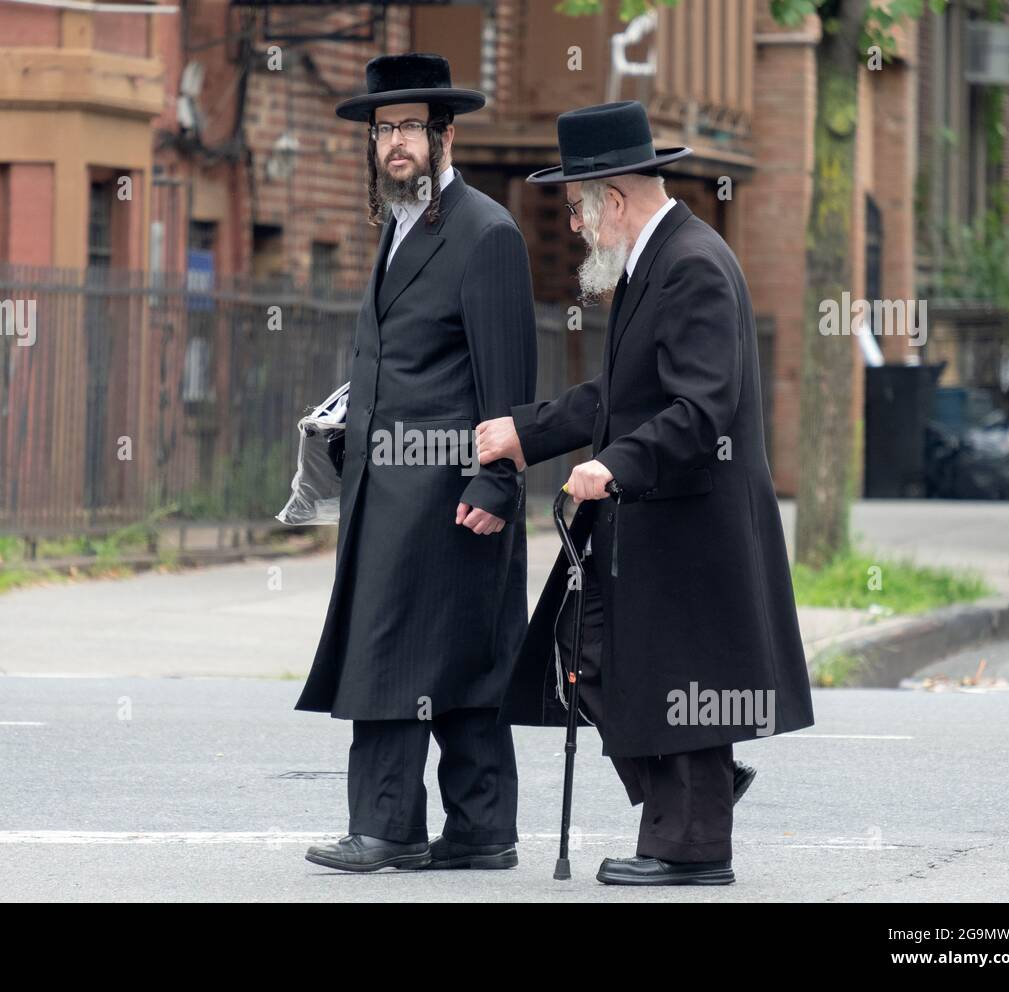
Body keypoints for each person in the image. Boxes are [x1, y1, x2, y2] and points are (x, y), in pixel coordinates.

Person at [478, 101, 815, 885]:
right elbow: (621, 395)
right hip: (663, 513)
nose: (573, 225)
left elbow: (701, 408)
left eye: (575, 207)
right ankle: (692, 811)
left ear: (615, 200)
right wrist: (527, 432)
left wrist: (614, 466)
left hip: (691, 517)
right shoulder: (655, 260)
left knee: (664, 672)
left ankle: (692, 844)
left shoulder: (691, 264)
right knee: (608, 656)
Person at [298, 53, 537, 873]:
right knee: (453, 656)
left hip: (449, 490)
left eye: (409, 127)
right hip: (385, 487)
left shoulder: (486, 232)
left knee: (397, 652)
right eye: (382, 129)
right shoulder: (399, 227)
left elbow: (506, 377)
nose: (394, 143)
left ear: (444, 134)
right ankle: (480, 830)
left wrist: (496, 480)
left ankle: (391, 828)